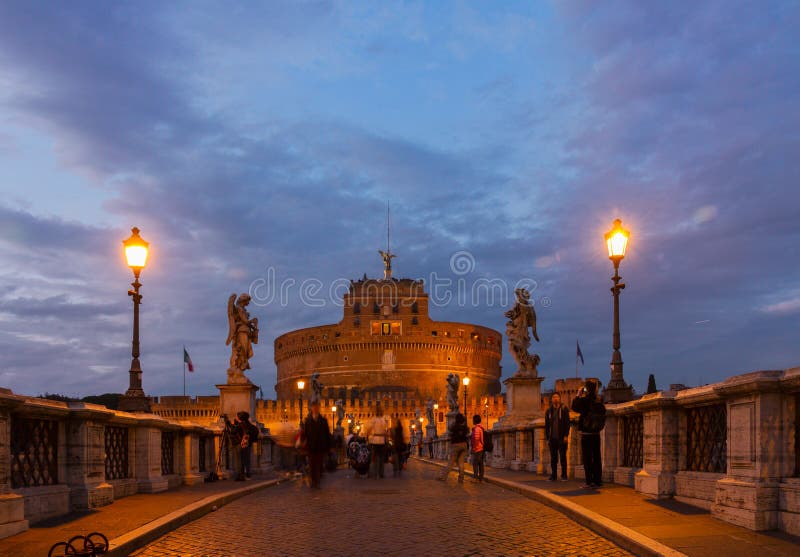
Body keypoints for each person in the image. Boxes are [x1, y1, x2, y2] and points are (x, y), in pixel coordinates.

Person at [571, 380, 605, 488]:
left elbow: (574, 407)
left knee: (587, 458)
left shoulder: (585, 400)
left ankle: (589, 481)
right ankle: (598, 481)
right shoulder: (599, 400)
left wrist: (578, 394)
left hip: (586, 433)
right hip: (596, 433)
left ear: (586, 389)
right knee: (597, 457)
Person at [303, 400, 332, 489]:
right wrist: (303, 444)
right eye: (314, 407)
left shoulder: (323, 421)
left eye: (317, 407)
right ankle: (313, 481)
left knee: (319, 465)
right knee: (312, 465)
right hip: (311, 446)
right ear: (311, 408)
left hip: (320, 446)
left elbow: (327, 434)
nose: (315, 409)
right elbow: (305, 433)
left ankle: (317, 481)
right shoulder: (307, 421)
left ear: (319, 408)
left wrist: (329, 447)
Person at [545, 394, 570, 481]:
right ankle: (554, 475)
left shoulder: (564, 409)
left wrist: (566, 435)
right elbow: (547, 425)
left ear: (560, 399)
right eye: (554, 397)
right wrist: (547, 437)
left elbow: (567, 423)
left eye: (557, 397)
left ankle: (564, 475)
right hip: (552, 438)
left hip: (562, 437)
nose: (555, 399)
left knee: (563, 457)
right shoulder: (548, 411)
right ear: (551, 399)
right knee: (553, 458)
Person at [438, 413, 470, 483]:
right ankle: (461, 478)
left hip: (456, 445)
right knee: (461, 462)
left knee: (451, 462)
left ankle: (443, 476)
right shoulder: (466, 427)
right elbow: (467, 434)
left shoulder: (454, 426)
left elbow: (449, 430)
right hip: (464, 445)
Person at [362, 405, 388, 479]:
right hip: (382, 441)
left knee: (374, 458)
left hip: (375, 441)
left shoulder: (373, 419)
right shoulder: (383, 420)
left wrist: (367, 434)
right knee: (382, 458)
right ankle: (381, 473)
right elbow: (385, 429)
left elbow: (367, 428)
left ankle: (375, 473)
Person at [470, 414, 486, 482]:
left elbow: (476, 439)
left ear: (474, 420)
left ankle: (475, 477)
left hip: (478, 448)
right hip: (481, 448)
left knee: (475, 463)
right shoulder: (481, 428)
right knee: (480, 463)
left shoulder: (477, 429)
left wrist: (474, 448)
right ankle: (480, 478)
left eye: (473, 420)